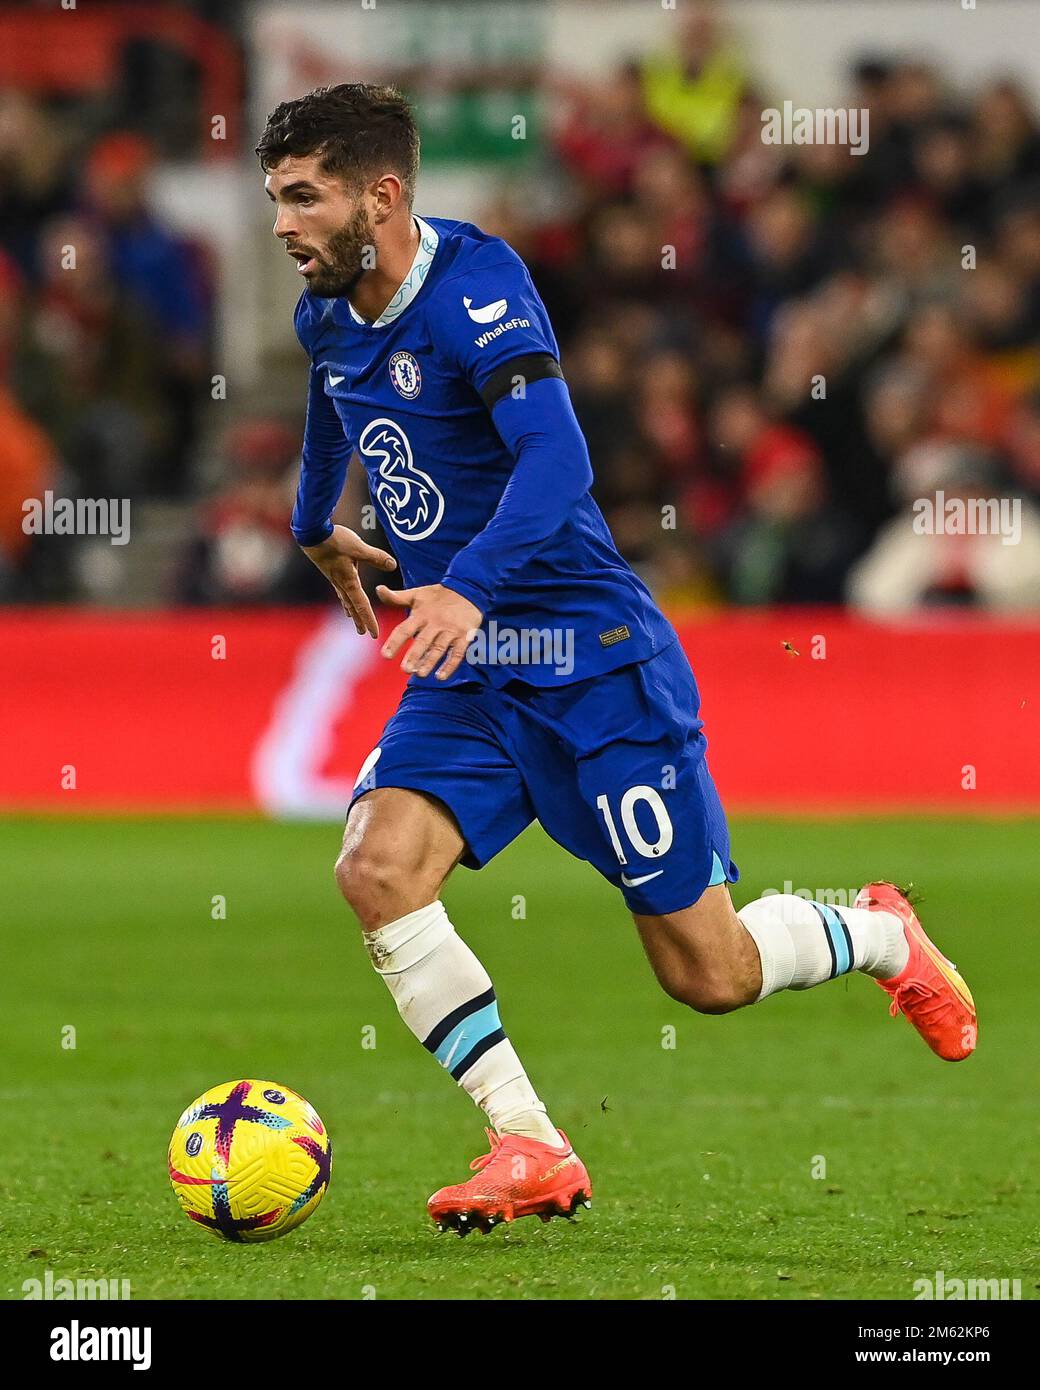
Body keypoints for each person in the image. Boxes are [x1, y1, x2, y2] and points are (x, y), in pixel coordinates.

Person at [255, 84, 978, 1235]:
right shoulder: (328, 310)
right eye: (275, 198)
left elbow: (556, 459)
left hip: (590, 663)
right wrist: (310, 521)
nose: (283, 223)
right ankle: (529, 1140)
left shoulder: (478, 287)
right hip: (473, 673)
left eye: (304, 197)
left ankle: (881, 930)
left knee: (708, 972)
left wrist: (467, 584)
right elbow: (330, 405)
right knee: (375, 867)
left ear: (381, 195)